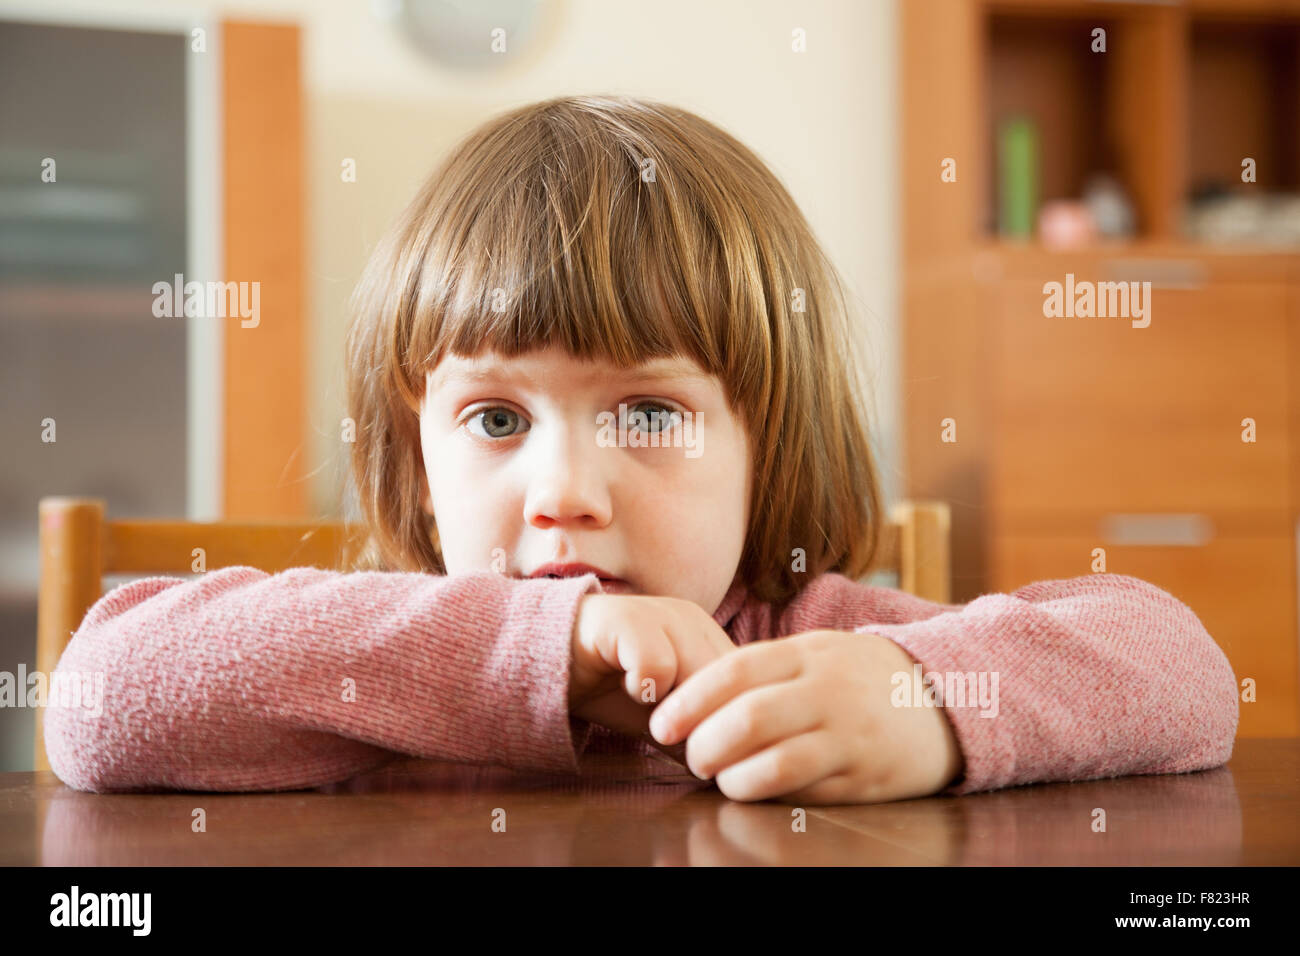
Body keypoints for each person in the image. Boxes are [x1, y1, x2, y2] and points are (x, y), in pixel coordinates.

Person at [44, 95, 1237, 803]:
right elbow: (96, 700)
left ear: (769, 450)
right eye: (497, 420)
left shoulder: (806, 642)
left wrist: (920, 698)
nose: (560, 492)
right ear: (416, 459)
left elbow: (1175, 665)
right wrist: (525, 648)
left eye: (650, 414)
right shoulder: (365, 661)